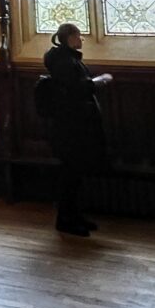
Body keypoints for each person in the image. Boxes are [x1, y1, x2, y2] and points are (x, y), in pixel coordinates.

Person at [43, 22, 112, 237]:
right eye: (79, 36)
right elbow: (77, 89)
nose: (82, 40)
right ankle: (66, 219)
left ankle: (74, 215)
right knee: (70, 174)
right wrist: (99, 81)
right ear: (70, 38)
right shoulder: (64, 62)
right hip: (70, 126)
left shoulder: (66, 59)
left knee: (75, 173)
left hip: (74, 125)